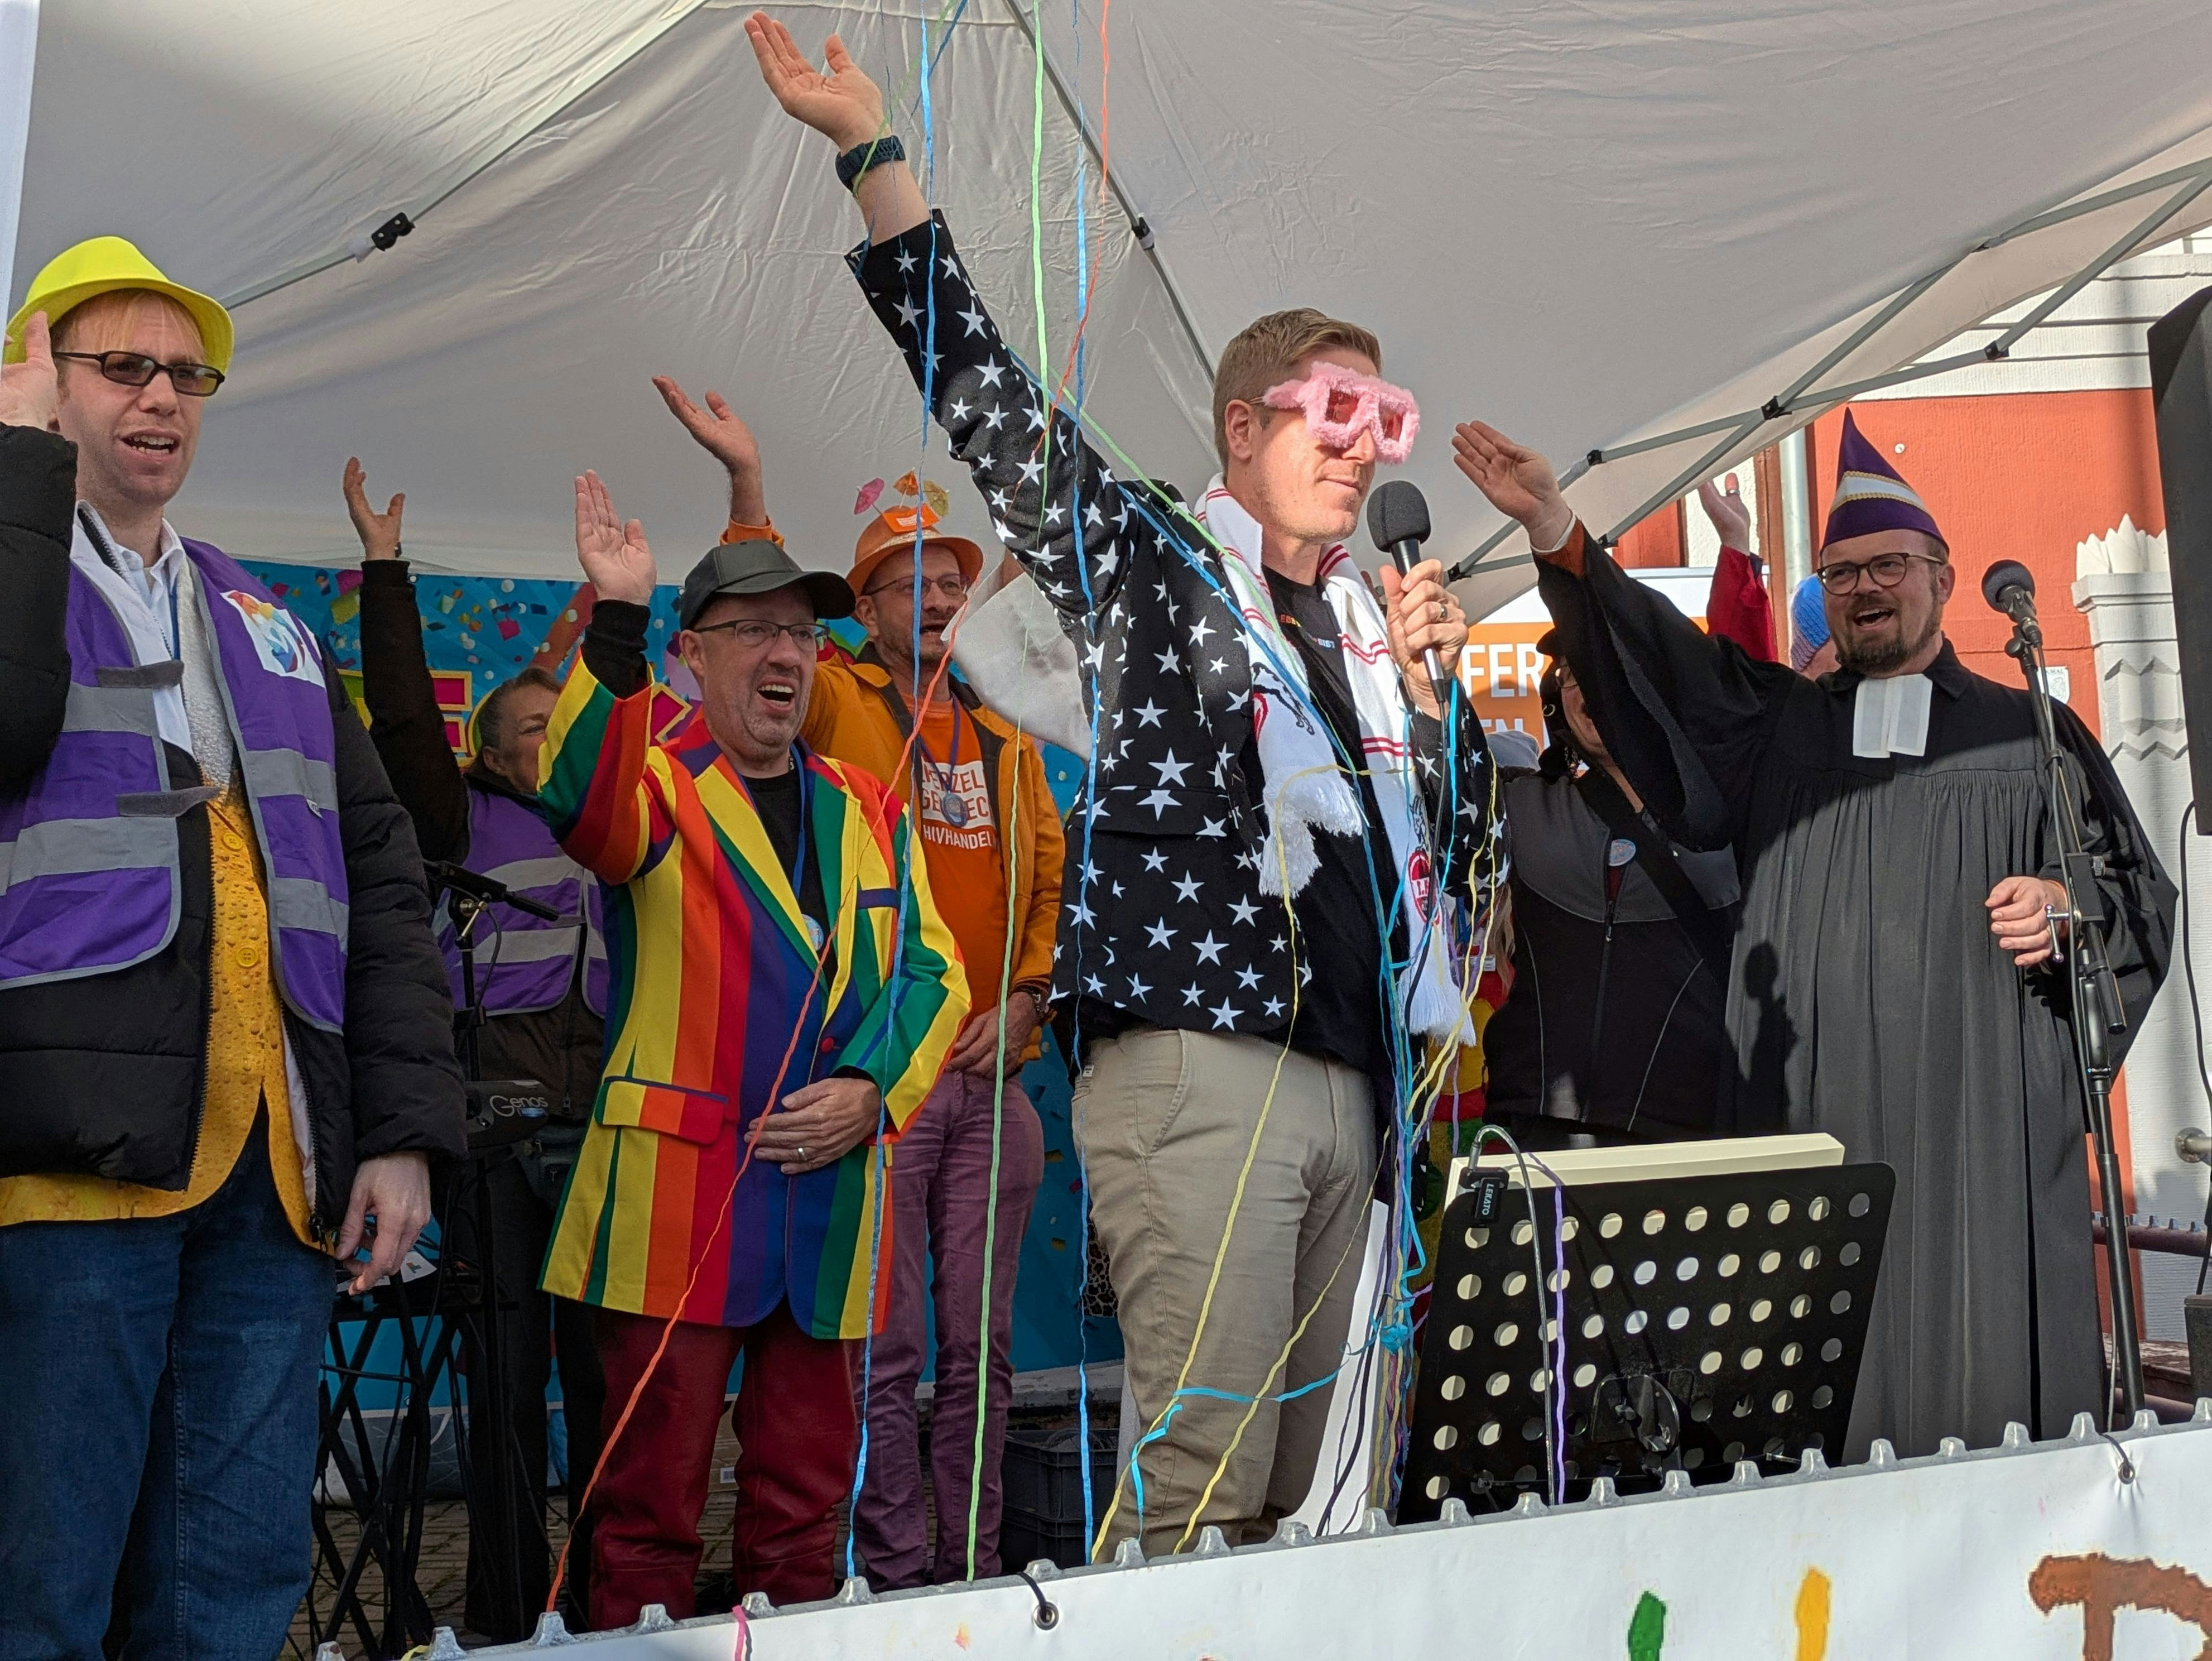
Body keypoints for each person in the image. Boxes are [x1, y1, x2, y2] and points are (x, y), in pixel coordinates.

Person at [748, 13, 1494, 1556]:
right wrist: (871, 157)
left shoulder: (1366, 629)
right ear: (1245, 429)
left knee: (1320, 1492)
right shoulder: (1163, 571)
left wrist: (1432, 705)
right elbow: (996, 410)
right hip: (1197, 1058)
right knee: (1197, 1478)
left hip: (1359, 1080)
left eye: (1380, 422)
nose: (1361, 450)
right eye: (1329, 417)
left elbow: (1468, 855)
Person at [1451, 406, 2177, 1457]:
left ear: (1937, 572)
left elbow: (2130, 894)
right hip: (1807, 1135)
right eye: (1840, 575)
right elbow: (1661, 666)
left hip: (1972, 1146)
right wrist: (1561, 533)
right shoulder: (1774, 727)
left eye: (1886, 567)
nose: (1865, 590)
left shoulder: (2029, 733)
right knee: (1805, 1415)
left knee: (1982, 1418)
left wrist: (2064, 909)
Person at [0, 241, 465, 1660]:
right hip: (71, 1158)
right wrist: (15, 477)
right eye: (122, 367)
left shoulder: (256, 613)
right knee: (44, 1584)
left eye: (187, 375)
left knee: (232, 1584)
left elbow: (383, 876)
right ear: (39, 385)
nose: (164, 398)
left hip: (277, 1171)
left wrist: (394, 1132)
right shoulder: (16, 566)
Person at [534, 471, 968, 1626]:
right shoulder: (657, 784)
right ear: (693, 655)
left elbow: (935, 972)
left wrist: (871, 1090)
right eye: (755, 630)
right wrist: (613, 618)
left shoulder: (869, 806)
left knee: (802, 1509)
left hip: (830, 1204)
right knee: (646, 1512)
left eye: (802, 631)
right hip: (677, 1202)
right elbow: (578, 797)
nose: (787, 651)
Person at [659, 378, 1062, 1587]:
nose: (936, 596)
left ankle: (977, 1576)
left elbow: (1046, 884)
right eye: (908, 581)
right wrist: (747, 490)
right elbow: (755, 629)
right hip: (876, 1082)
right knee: (879, 1355)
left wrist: (1032, 996)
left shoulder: (1009, 731)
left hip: (992, 1077)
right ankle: (892, 1582)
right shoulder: (832, 694)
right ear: (866, 608)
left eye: (952, 577)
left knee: (979, 1354)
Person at [345, 461, 609, 1637]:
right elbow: (401, 719)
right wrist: (388, 577)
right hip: (499, 1134)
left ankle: (608, 1597)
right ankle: (507, 1606)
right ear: (493, 754)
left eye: (562, 728)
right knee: (505, 1382)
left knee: (605, 1382)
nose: (547, 746)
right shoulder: (461, 820)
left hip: (600, 1130)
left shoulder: (614, 826)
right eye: (529, 733)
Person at [1482, 635, 1739, 1141]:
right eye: (1577, 674)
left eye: (1618, 669)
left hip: (1688, 1135)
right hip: (1537, 1129)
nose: (1595, 689)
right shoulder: (1517, 803)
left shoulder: (1733, 812)